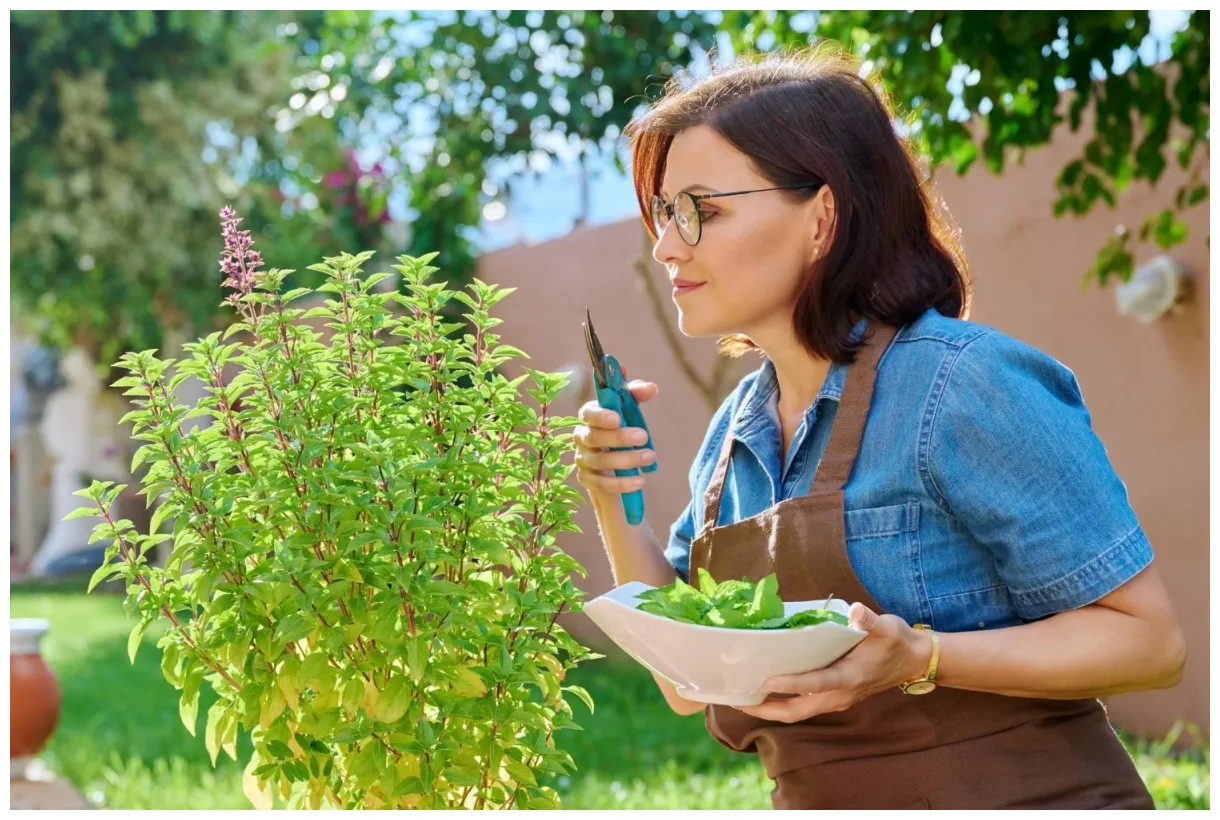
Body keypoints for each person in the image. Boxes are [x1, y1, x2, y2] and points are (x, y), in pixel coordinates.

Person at [572, 47, 1185, 810]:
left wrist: (920, 656)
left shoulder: (962, 383)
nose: (667, 245)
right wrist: (611, 490)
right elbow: (684, 685)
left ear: (822, 216)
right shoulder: (733, 436)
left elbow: (1150, 642)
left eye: (702, 209)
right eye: (665, 212)